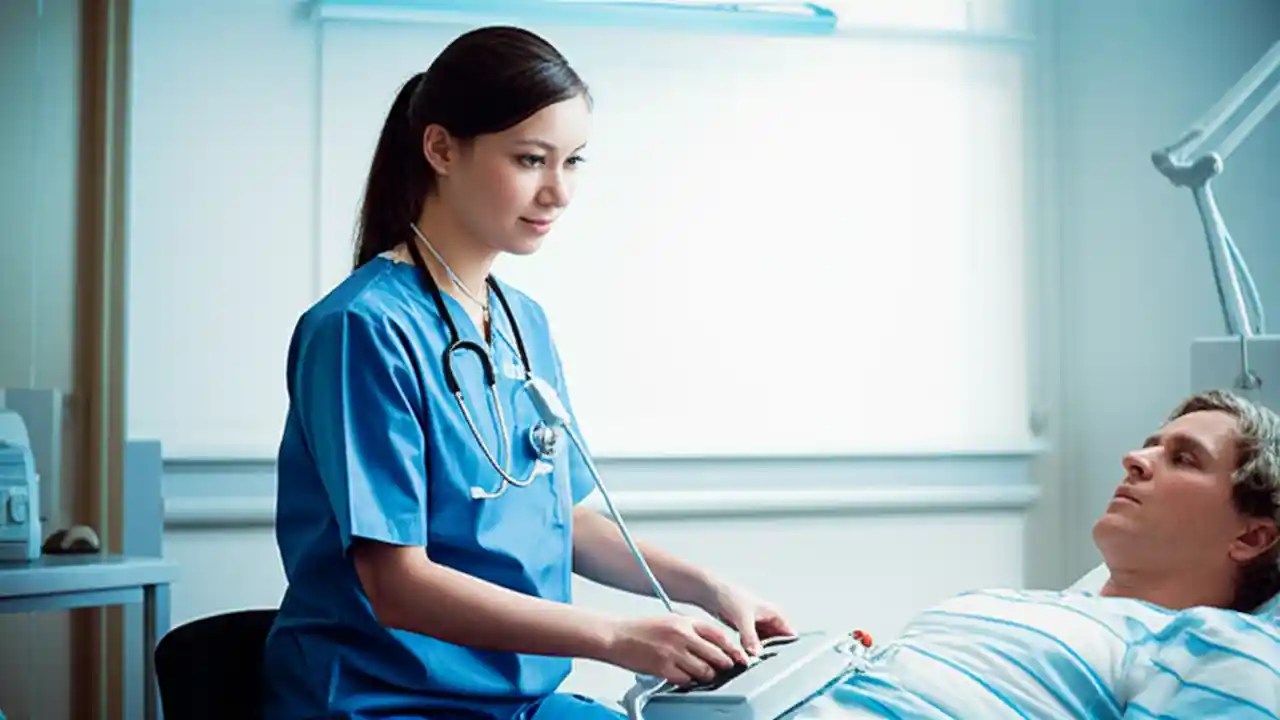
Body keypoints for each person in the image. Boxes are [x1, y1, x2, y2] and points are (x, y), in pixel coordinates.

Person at [262, 26, 794, 720]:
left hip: (518, 702)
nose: (559, 191)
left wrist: (709, 589)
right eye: (531, 159)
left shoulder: (521, 322)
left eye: (573, 161)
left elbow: (559, 520)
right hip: (387, 702)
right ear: (441, 149)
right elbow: (397, 583)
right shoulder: (362, 329)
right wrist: (616, 636)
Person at [786, 389, 1280, 718]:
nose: (1135, 459)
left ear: (1252, 537)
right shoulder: (1009, 602)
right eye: (1151, 446)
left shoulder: (1219, 648)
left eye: (1184, 458)